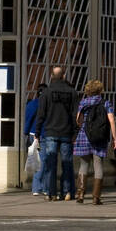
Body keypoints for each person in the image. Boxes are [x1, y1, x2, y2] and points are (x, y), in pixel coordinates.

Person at [34, 67, 78, 201]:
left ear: (51, 76)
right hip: (66, 131)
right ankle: (66, 192)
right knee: (67, 163)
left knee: (50, 164)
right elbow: (75, 115)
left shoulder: (46, 93)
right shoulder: (72, 92)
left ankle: (51, 192)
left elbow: (41, 114)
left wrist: (37, 131)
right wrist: (75, 132)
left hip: (51, 131)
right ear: (64, 76)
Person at [74, 80, 116, 205]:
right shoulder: (105, 103)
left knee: (84, 164)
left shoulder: (83, 102)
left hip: (84, 135)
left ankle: (81, 194)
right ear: (100, 90)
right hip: (99, 137)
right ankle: (96, 197)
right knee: (98, 165)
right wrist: (114, 137)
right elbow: (111, 121)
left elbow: (78, 120)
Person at [24, 83, 46, 195]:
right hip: (43, 134)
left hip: (32, 134)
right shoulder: (47, 104)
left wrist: (26, 132)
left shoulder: (32, 104)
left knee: (38, 161)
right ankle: (38, 187)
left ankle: (38, 187)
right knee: (43, 161)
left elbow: (28, 118)